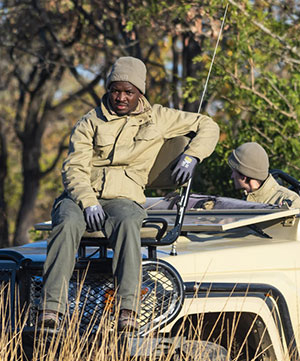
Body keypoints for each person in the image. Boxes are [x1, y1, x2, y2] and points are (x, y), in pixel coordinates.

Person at [38, 56, 219, 332]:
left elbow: (208, 125)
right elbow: (74, 168)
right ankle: (51, 309)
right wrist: (88, 203)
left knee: (127, 222)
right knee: (67, 222)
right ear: (108, 90)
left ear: (139, 93)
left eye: (128, 92)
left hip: (124, 197)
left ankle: (128, 310)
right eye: (115, 91)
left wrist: (192, 156)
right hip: (83, 196)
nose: (121, 98)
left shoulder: (159, 117)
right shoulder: (90, 122)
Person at [226, 142, 300, 210]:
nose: (232, 176)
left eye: (234, 172)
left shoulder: (291, 200)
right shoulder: (244, 202)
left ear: (244, 176)